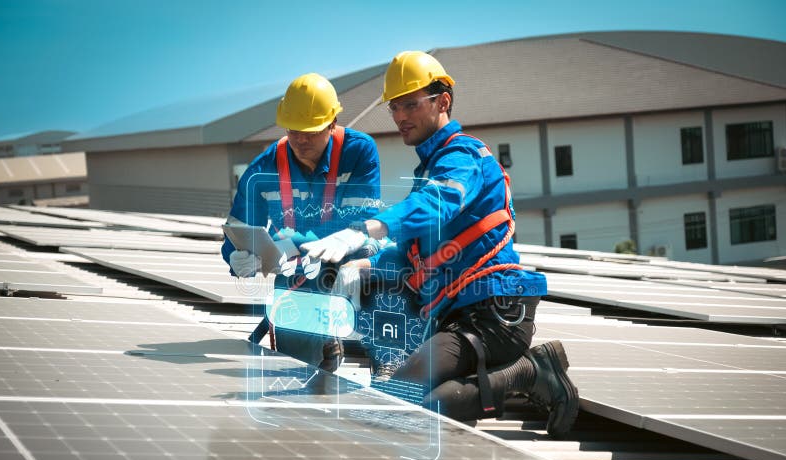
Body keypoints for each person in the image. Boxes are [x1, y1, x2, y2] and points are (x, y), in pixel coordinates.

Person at [301, 52, 579, 438]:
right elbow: (413, 255)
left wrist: (368, 229)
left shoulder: (463, 156)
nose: (400, 116)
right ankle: (511, 381)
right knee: (395, 404)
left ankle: (530, 373)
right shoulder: (430, 169)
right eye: (395, 107)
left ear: (442, 102)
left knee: (398, 403)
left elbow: (438, 203)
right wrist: (359, 265)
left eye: (411, 104)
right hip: (460, 320)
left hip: (496, 318)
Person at [222, 72, 380, 371]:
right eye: (295, 130)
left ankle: (380, 355)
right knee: (294, 351)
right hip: (295, 269)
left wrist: (292, 243)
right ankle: (321, 351)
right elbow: (237, 231)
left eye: (312, 131)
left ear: (332, 124)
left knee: (378, 264)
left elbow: (359, 224)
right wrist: (237, 257)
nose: (301, 139)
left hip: (350, 256)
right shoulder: (264, 168)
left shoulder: (359, 151)